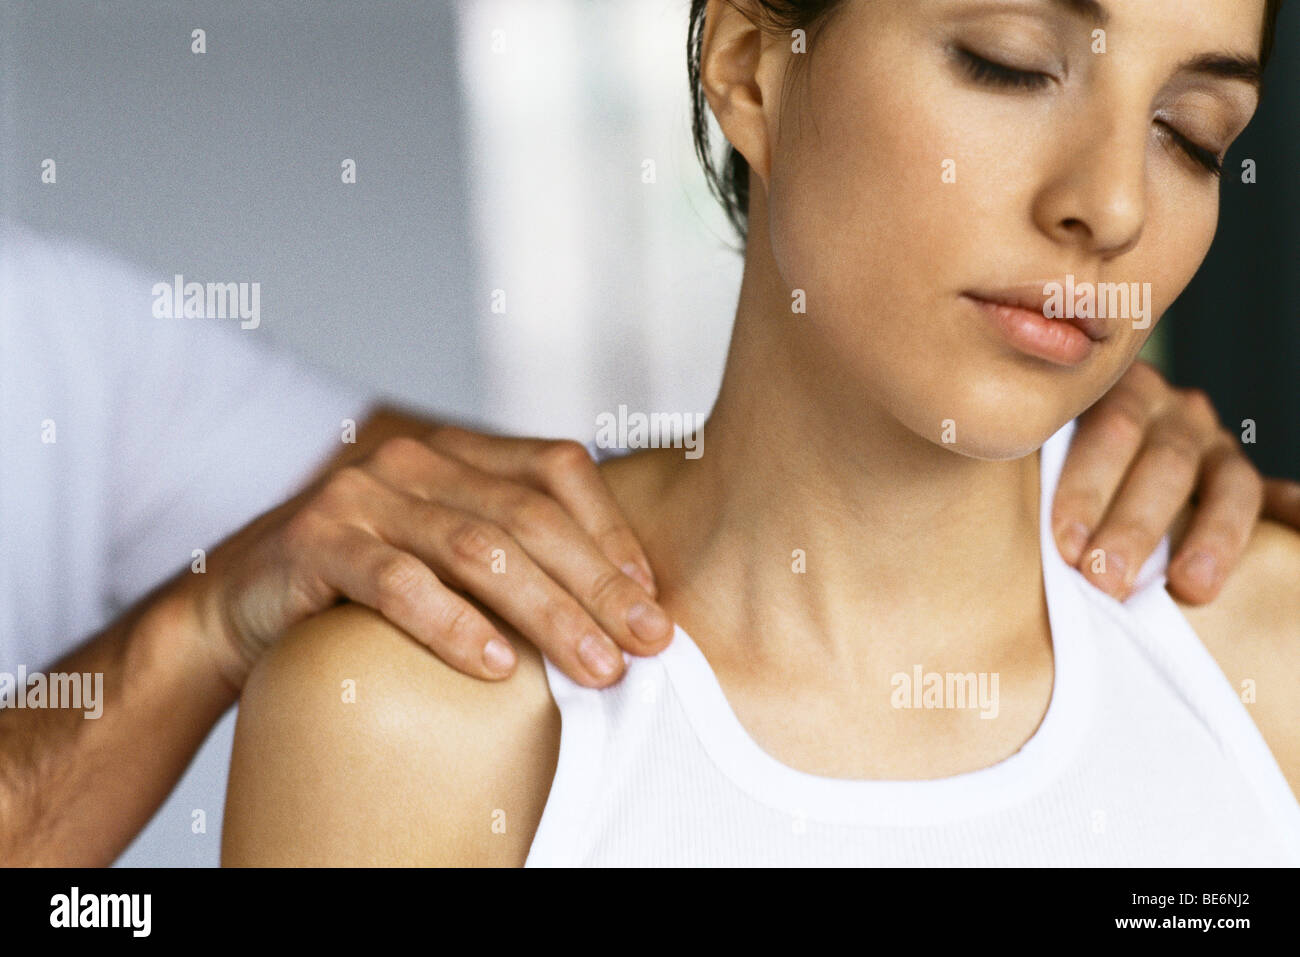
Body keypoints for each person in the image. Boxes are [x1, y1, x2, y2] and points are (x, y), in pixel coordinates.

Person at [223, 0, 1300, 866]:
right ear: (747, 69)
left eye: (1189, 133)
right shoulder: (405, 727)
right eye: (1009, 64)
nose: (1111, 205)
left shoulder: (1272, 657)